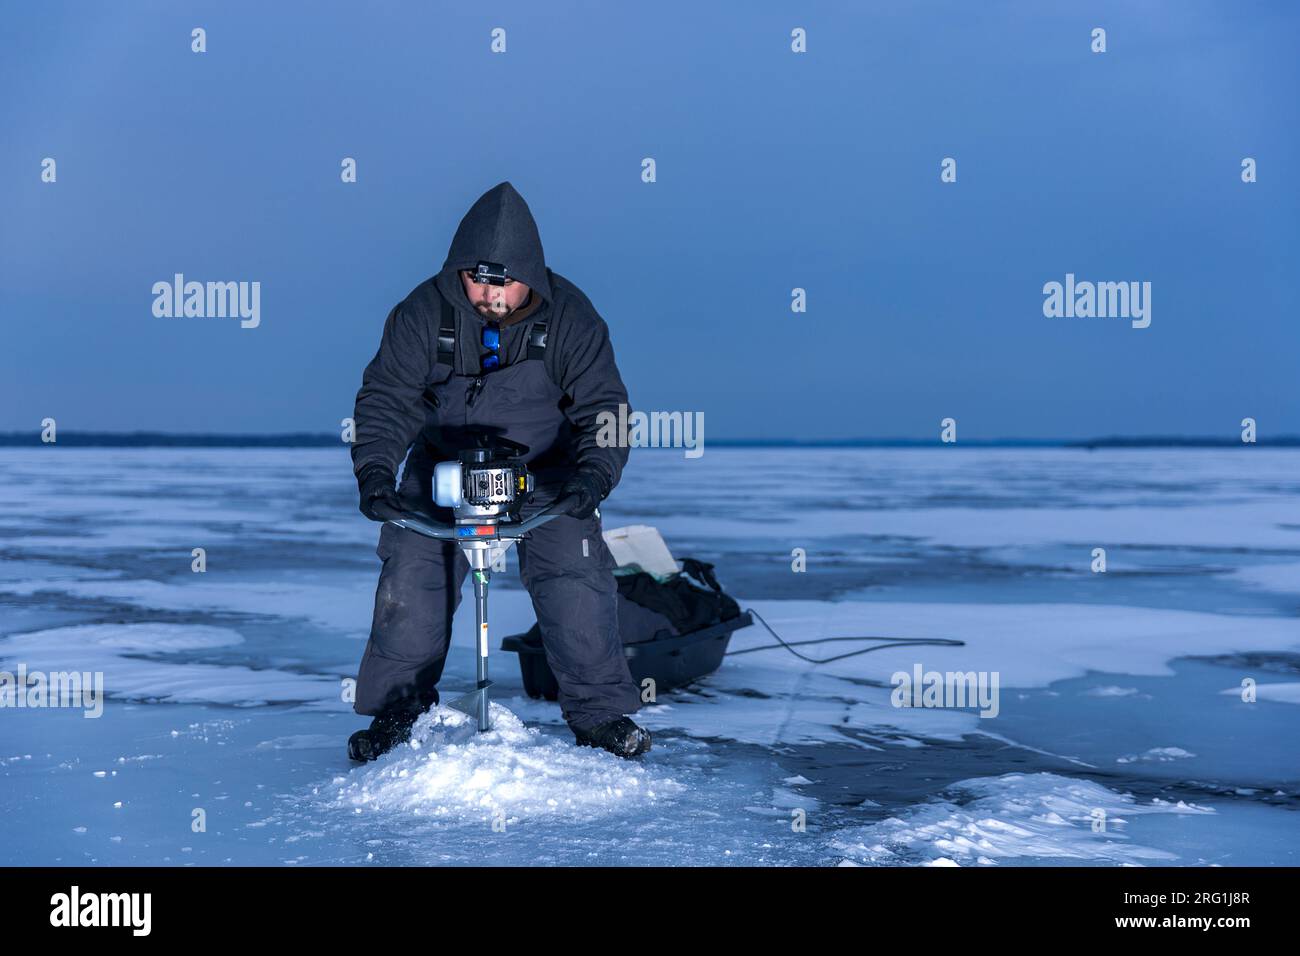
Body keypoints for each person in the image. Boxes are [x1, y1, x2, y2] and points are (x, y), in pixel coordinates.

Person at [347, 181, 650, 762]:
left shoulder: (572, 318)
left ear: (529, 278)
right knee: (411, 579)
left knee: (576, 578)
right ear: (460, 272)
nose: (491, 294)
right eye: (479, 279)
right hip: (441, 466)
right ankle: (397, 715)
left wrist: (593, 477)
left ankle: (600, 716)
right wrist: (376, 474)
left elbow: (605, 410)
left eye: (504, 281)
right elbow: (386, 400)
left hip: (546, 470)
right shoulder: (420, 313)